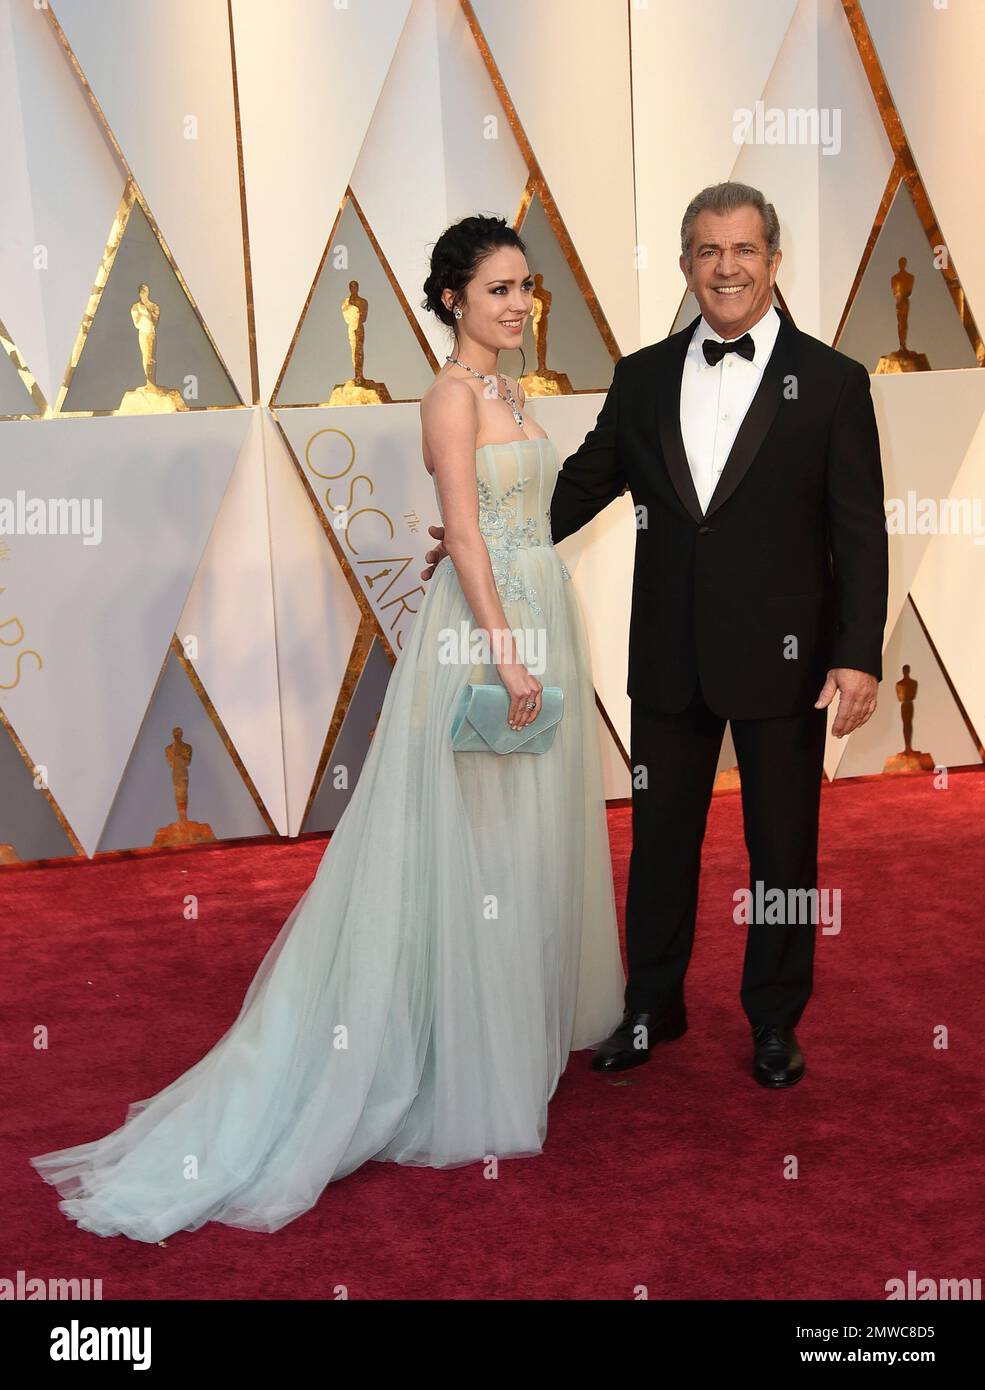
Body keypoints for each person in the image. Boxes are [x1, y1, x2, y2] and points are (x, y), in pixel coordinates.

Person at [28, 215, 625, 1242]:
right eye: (498, 291)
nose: (519, 305)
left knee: (521, 835)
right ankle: (447, 1055)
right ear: (451, 302)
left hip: (534, 609)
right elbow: (471, 533)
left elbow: (487, 524)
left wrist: (513, 602)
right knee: (473, 839)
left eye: (525, 288)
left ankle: (497, 1029)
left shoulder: (507, 393)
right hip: (490, 635)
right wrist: (506, 649)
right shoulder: (448, 399)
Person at [425, 182, 889, 1089]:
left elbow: (859, 529)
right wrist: (476, 536)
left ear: (772, 261)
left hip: (784, 663)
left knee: (784, 851)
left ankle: (773, 1020)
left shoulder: (833, 381)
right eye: (708, 252)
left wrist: (856, 651)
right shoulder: (640, 377)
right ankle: (650, 1007)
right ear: (684, 266)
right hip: (668, 657)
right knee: (660, 842)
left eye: (744, 250)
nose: (726, 268)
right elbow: (578, 486)